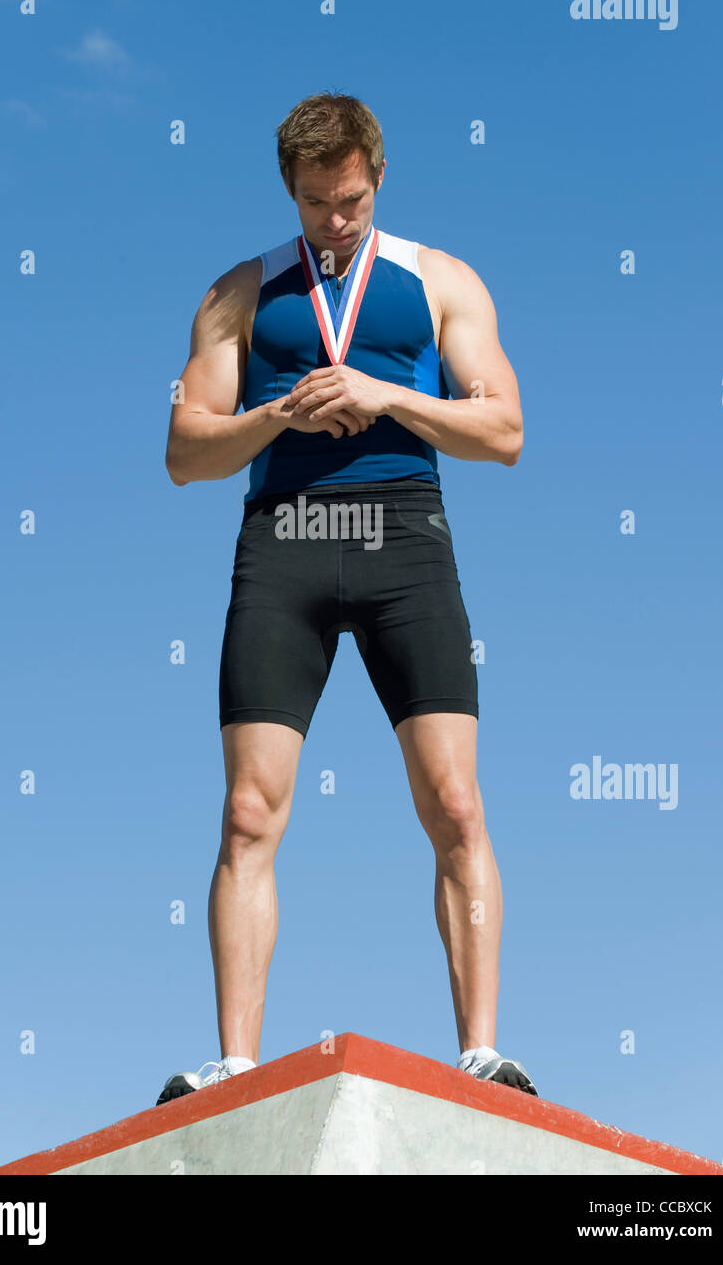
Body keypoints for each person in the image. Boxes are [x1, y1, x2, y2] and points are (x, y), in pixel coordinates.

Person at [159, 92, 536, 1105]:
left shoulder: (437, 278)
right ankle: (236, 1065)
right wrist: (280, 410)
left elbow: (504, 430)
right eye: (321, 203)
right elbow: (185, 452)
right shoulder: (242, 293)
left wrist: (385, 396)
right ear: (292, 189)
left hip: (404, 536)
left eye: (355, 199)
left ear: (377, 177)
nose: (340, 219)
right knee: (246, 812)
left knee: (455, 802)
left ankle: (482, 1056)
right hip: (282, 541)